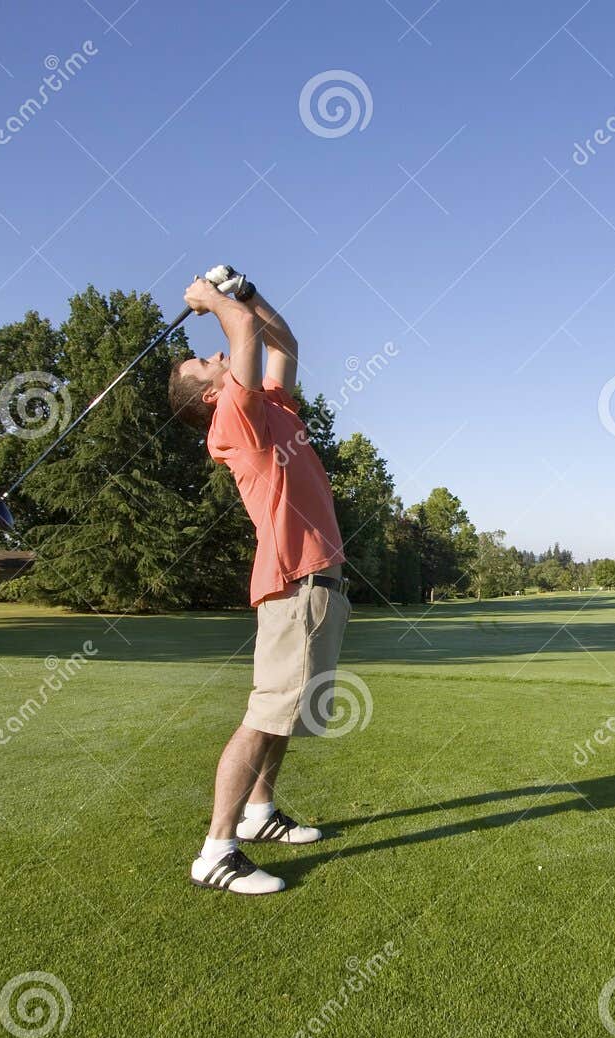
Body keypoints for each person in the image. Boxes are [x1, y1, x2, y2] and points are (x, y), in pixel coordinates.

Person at [167, 274, 350, 896]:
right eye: (203, 362)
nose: (214, 354)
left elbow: (284, 343)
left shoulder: (271, 408)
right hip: (294, 582)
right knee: (263, 715)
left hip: (317, 581)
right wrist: (209, 301)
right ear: (207, 395)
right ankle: (217, 850)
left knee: (285, 712)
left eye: (209, 349)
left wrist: (246, 293)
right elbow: (241, 334)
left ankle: (260, 811)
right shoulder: (233, 421)